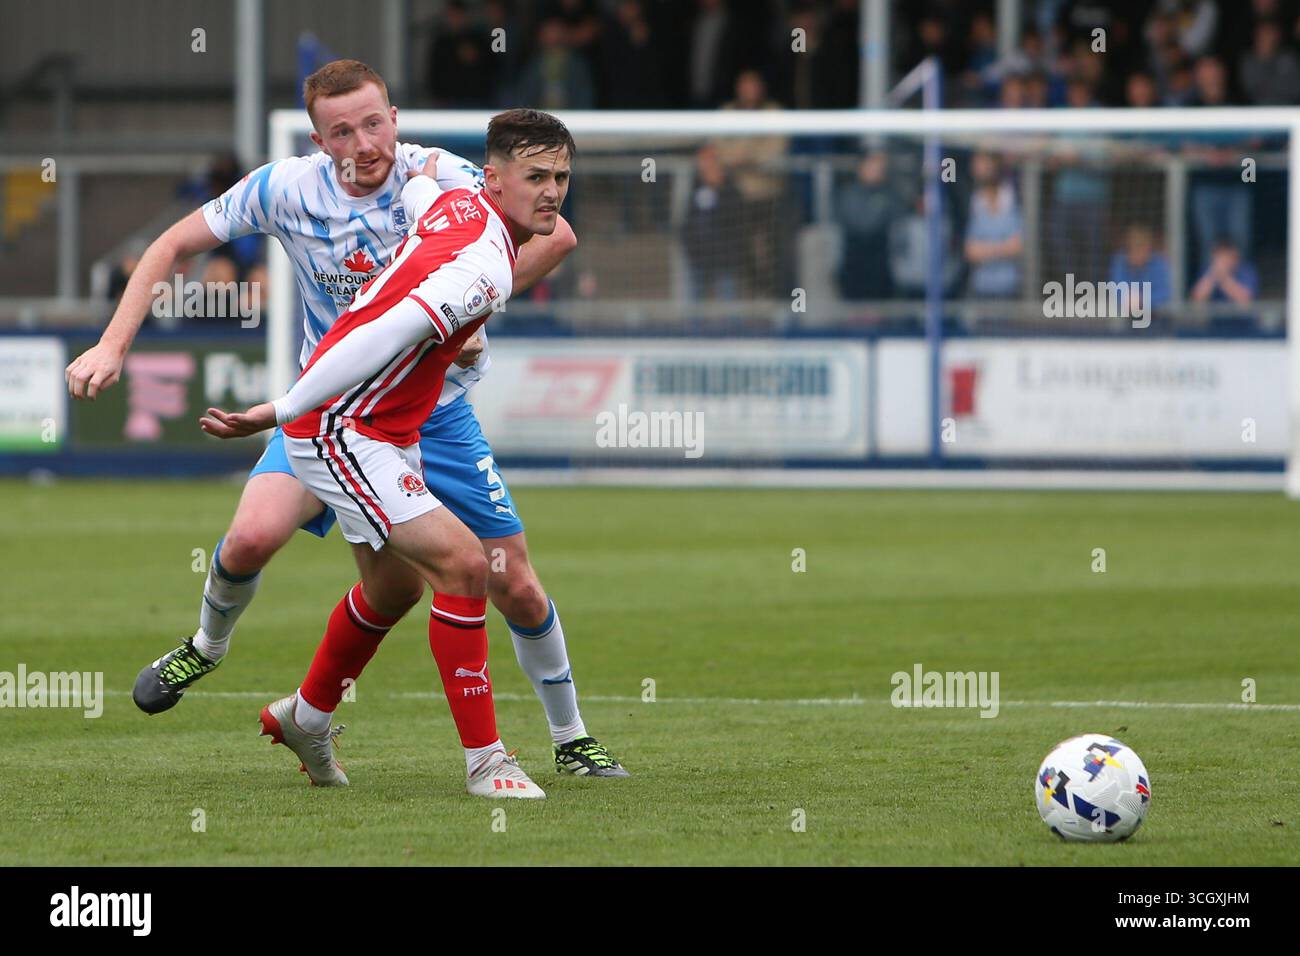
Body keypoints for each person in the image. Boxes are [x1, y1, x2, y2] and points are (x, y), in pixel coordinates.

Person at [65, 59, 628, 782]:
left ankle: (570, 737)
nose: (365, 142)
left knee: (500, 580)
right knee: (251, 536)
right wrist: (113, 344)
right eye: (343, 130)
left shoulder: (442, 175)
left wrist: (470, 306)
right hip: (330, 408)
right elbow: (171, 245)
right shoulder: (283, 189)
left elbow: (553, 235)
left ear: (395, 118)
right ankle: (206, 647)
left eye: (374, 122)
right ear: (318, 139)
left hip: (434, 414)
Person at [200, 109, 576, 799]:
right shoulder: (488, 267)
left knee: (396, 586)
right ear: (493, 180)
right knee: (466, 565)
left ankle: (305, 718)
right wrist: (281, 410)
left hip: (385, 429)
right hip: (343, 427)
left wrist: (417, 171)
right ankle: (488, 763)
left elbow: (422, 194)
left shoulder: (457, 203)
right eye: (535, 177)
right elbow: (388, 332)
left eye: (559, 177)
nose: (550, 191)